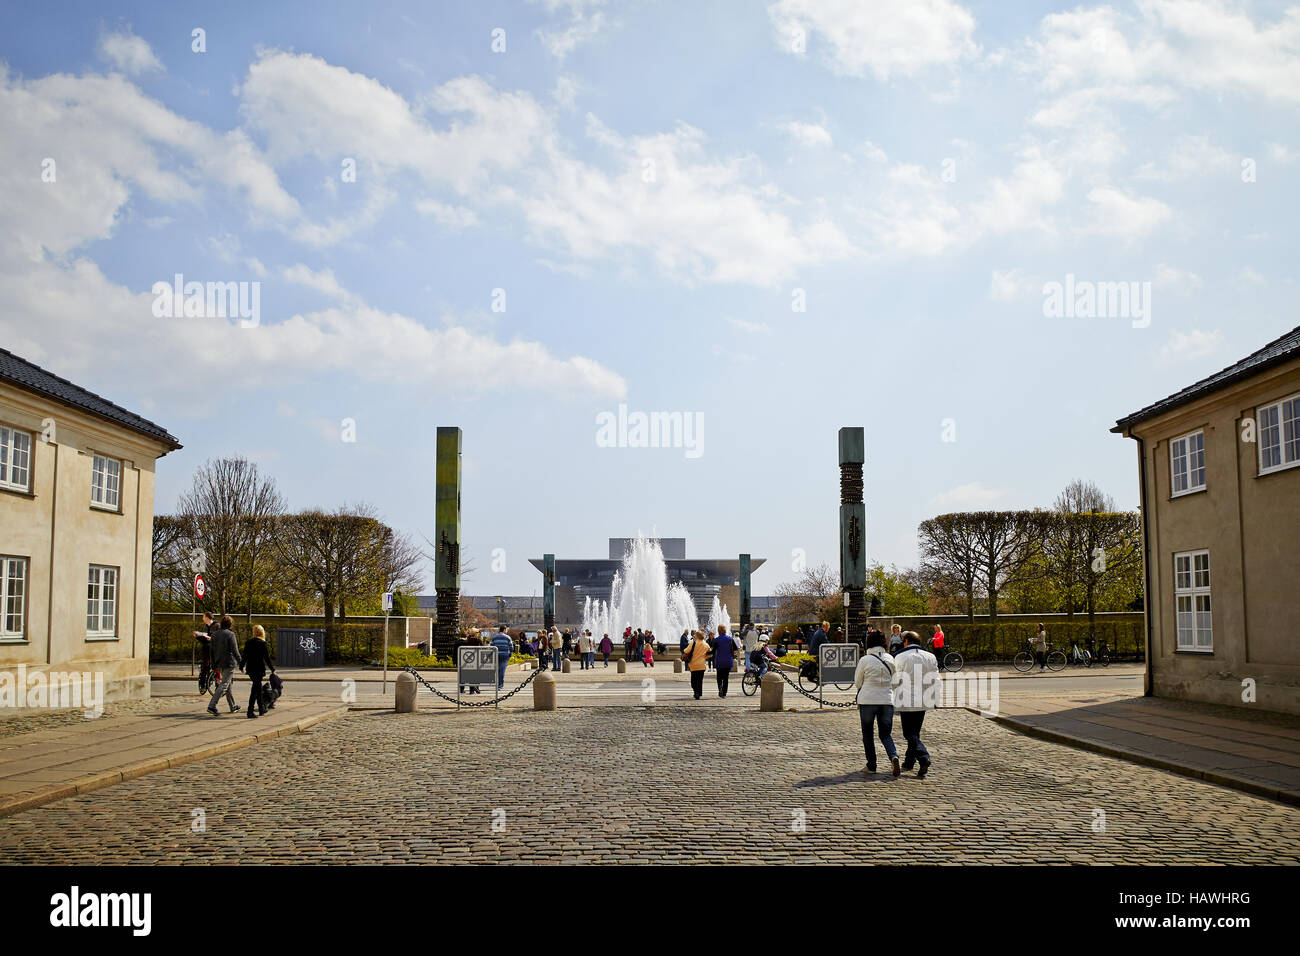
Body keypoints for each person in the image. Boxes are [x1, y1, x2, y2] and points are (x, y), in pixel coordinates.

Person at [852, 630, 899, 776]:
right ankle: (893, 755)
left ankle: (871, 765)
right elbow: (896, 682)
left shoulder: (865, 660)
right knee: (885, 734)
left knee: (868, 734)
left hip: (868, 700)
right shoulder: (890, 658)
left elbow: (857, 682)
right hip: (886, 700)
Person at [892, 631, 936, 777]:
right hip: (924, 697)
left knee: (908, 733)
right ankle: (909, 761)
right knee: (915, 732)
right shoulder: (930, 657)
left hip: (907, 698)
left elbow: (896, 679)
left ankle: (923, 757)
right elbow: (935, 678)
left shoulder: (901, 656)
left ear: (906, 641)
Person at [206, 615, 242, 716]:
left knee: (228, 684)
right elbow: (235, 651)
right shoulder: (230, 634)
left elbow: (211, 651)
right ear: (230, 624)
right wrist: (241, 663)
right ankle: (212, 706)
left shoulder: (214, 634)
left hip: (218, 662)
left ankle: (232, 706)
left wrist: (213, 664)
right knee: (224, 684)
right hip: (229, 663)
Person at [242, 624, 275, 719]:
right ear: (262, 632)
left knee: (258, 688)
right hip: (259, 669)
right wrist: (272, 669)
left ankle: (261, 708)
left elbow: (245, 656)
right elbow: (266, 658)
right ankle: (250, 711)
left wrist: (241, 666)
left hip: (251, 669)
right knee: (254, 690)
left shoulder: (248, 642)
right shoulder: (262, 643)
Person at [709, 624, 739, 697]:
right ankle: (724, 693)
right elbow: (735, 649)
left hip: (719, 661)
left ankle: (720, 689)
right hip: (728, 661)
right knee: (726, 678)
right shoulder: (730, 639)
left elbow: (713, 651)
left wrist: (705, 652)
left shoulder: (716, 640)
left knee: (719, 677)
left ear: (718, 631)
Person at [682, 629, 710, 700]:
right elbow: (710, 654)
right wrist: (704, 656)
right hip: (702, 665)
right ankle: (698, 693)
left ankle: (696, 692)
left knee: (693, 681)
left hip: (693, 665)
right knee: (699, 680)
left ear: (697, 636)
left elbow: (686, 651)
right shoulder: (706, 644)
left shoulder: (693, 643)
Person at [490, 625, 514, 689]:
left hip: (496, 654)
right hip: (504, 655)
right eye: (506, 630)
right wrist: (510, 654)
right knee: (502, 670)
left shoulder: (495, 637)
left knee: (497, 670)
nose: (507, 631)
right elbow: (511, 647)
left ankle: (497, 683)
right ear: (504, 630)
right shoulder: (507, 637)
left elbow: (491, 646)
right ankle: (500, 684)